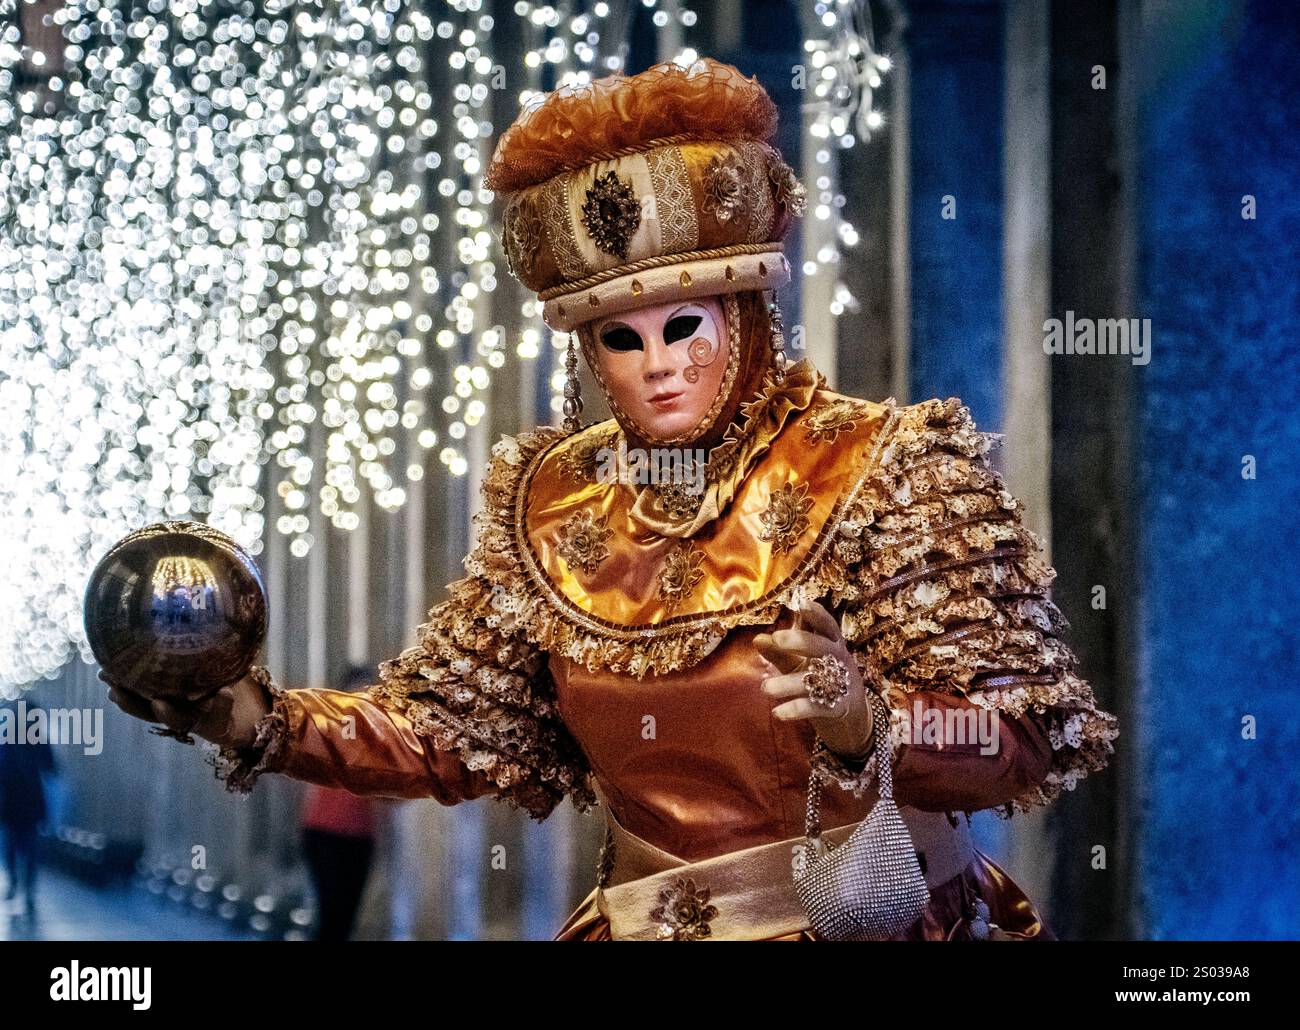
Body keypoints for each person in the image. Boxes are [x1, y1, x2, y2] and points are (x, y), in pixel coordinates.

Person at [102, 58, 1118, 941]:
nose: (658, 370)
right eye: (621, 342)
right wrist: (262, 723)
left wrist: (872, 724)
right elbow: (451, 730)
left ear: (745, 313)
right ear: (588, 353)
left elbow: (1023, 730)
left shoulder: (885, 465)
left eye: (683, 328)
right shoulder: (549, 502)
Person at [298, 666, 379, 941]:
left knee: (345, 918)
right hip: (324, 834)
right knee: (330, 914)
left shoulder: (379, 739)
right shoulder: (329, 729)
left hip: (359, 836)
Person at [0, 726, 55, 918]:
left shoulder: (8, 740)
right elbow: (51, 767)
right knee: (29, 846)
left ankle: (16, 882)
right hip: (30, 801)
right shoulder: (37, 739)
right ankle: (27, 889)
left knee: (13, 845)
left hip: (13, 802)